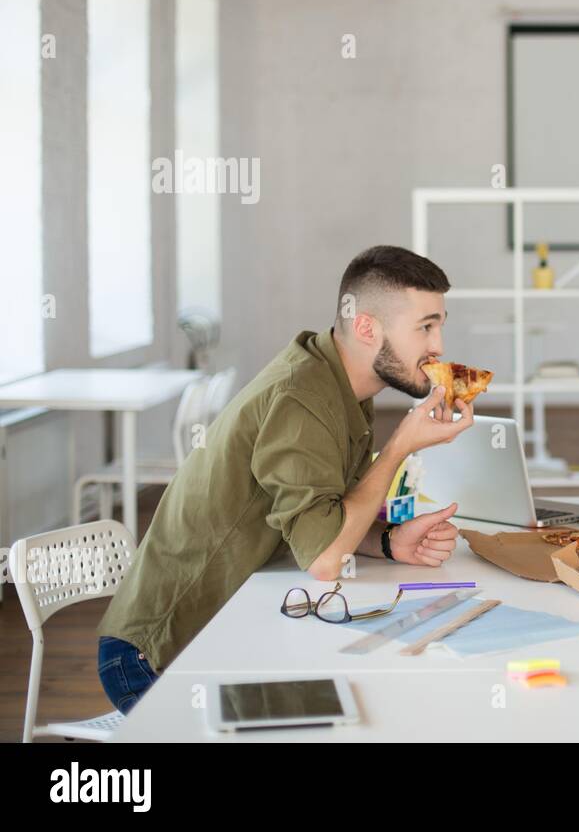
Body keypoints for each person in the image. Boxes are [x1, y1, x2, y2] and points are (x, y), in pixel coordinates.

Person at [97, 245, 473, 713]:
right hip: (156, 658)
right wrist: (400, 447)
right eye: (425, 327)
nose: (438, 346)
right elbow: (323, 560)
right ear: (366, 327)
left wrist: (391, 541)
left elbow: (325, 520)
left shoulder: (342, 383)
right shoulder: (301, 397)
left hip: (229, 627)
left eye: (440, 324)